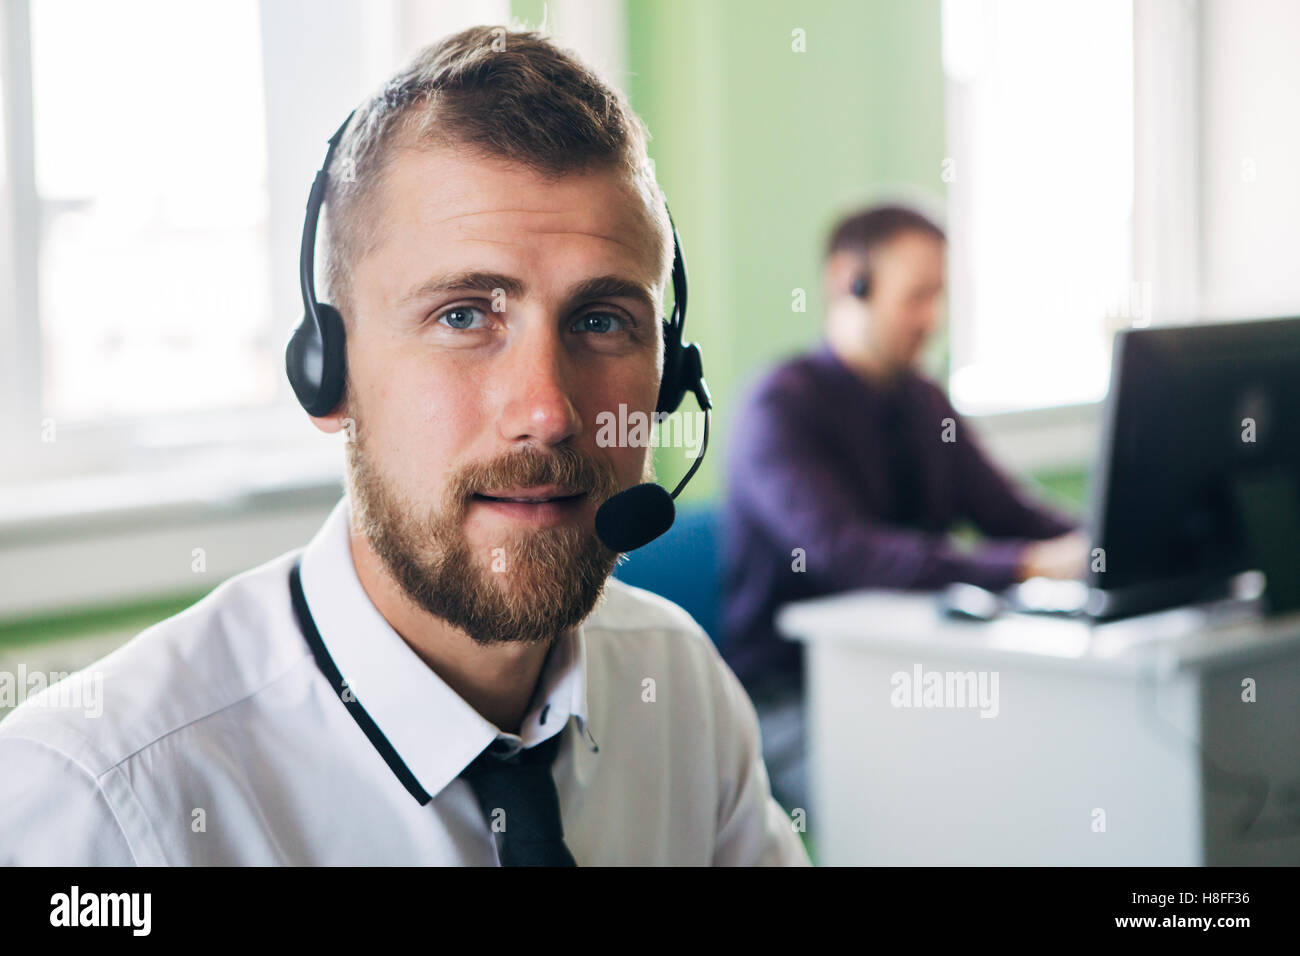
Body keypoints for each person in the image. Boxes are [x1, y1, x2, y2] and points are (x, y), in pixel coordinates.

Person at [0, 27, 809, 866]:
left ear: (669, 373)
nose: (547, 412)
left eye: (602, 321)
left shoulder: (679, 687)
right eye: (463, 315)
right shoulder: (98, 807)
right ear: (328, 374)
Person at [723, 203, 1088, 814]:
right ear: (849, 281)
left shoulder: (922, 401)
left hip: (921, 673)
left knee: (1041, 769)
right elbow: (850, 553)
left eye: (940, 296)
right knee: (927, 810)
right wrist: (1027, 566)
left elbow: (1011, 512)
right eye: (917, 295)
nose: (933, 319)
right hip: (796, 696)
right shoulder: (779, 407)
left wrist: (1107, 542)